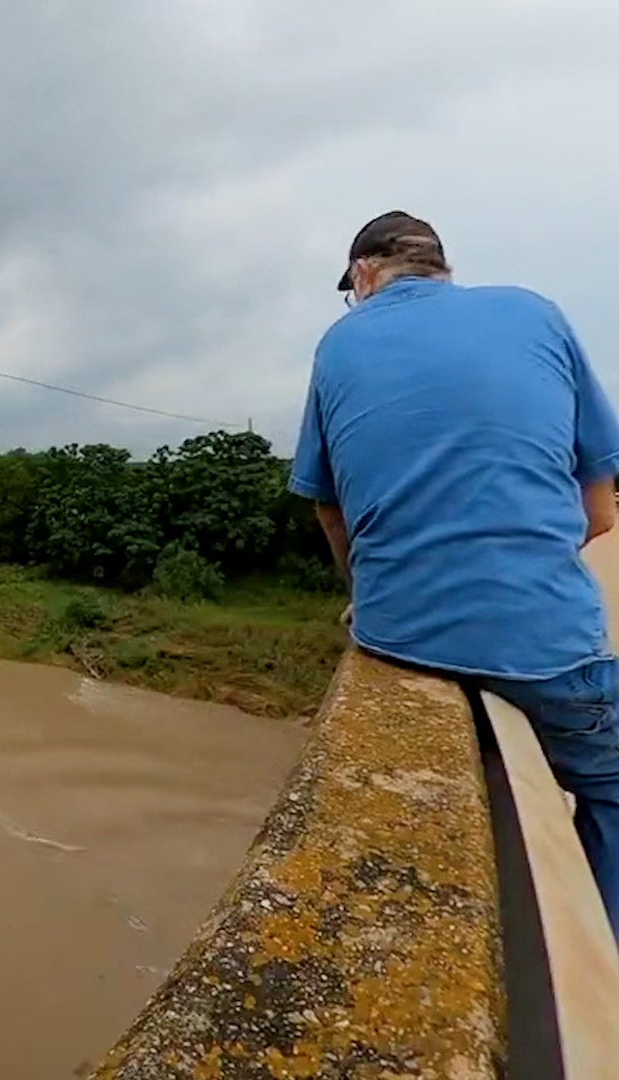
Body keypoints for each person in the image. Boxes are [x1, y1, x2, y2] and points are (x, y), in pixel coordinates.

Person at [291, 210, 619, 942]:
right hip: (548, 646)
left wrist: (365, 595)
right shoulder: (536, 313)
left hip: (399, 637)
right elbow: (600, 512)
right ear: (440, 267)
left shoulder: (340, 342)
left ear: (364, 275)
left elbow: (329, 509)